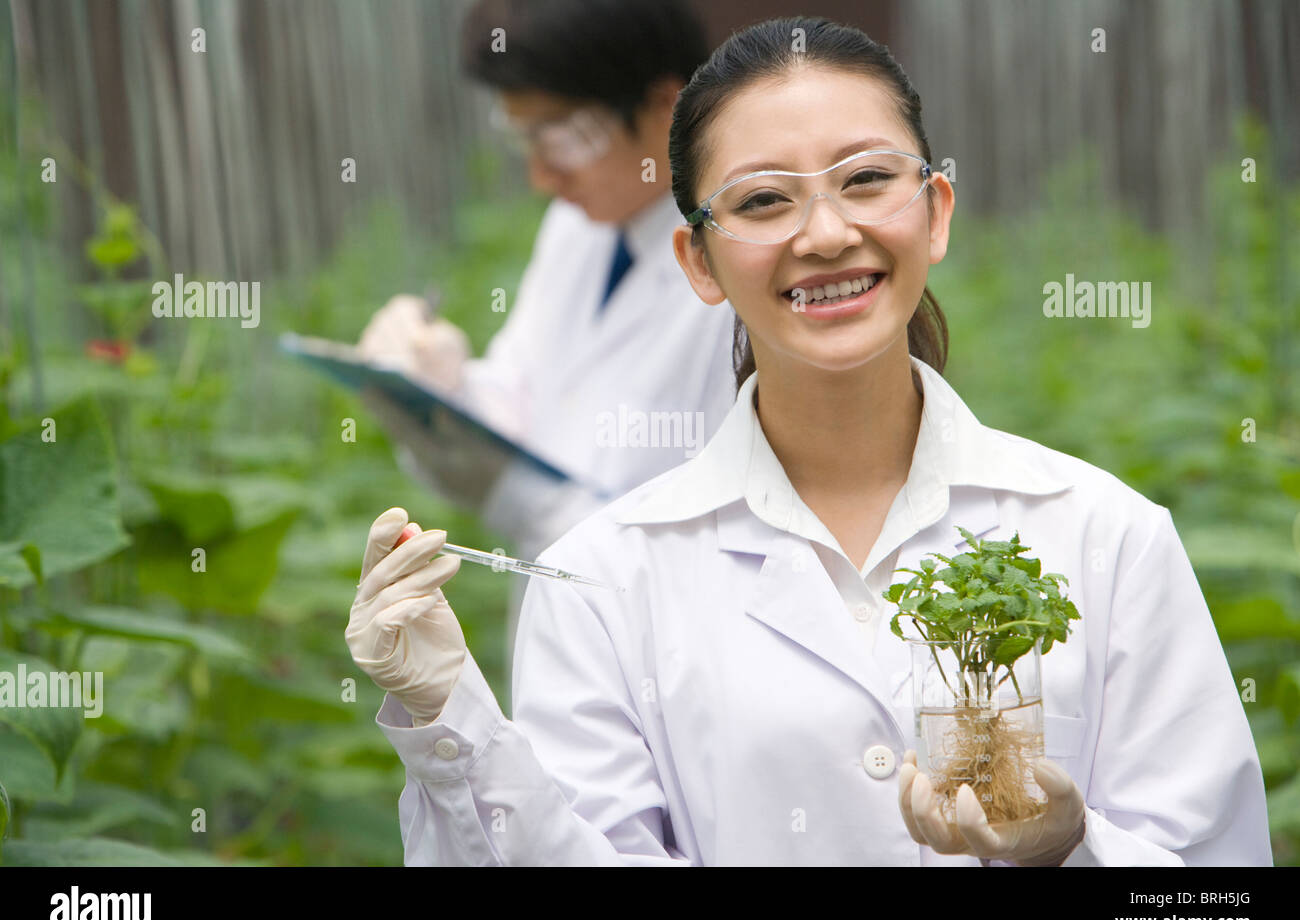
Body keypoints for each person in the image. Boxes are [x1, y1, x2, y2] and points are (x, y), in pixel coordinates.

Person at [345, 16, 1273, 865]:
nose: (827, 233)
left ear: (937, 210)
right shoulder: (600, 583)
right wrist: (447, 719)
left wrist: (1072, 848)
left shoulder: (1108, 537)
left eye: (867, 179)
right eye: (761, 202)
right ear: (698, 261)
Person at [356, 0, 735, 689]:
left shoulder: (743, 273)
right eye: (522, 139)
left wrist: (510, 492)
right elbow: (524, 399)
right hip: (563, 642)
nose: (541, 176)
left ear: (663, 103)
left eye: (558, 137)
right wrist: (438, 387)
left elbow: (703, 550)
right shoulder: (580, 228)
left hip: (683, 669)